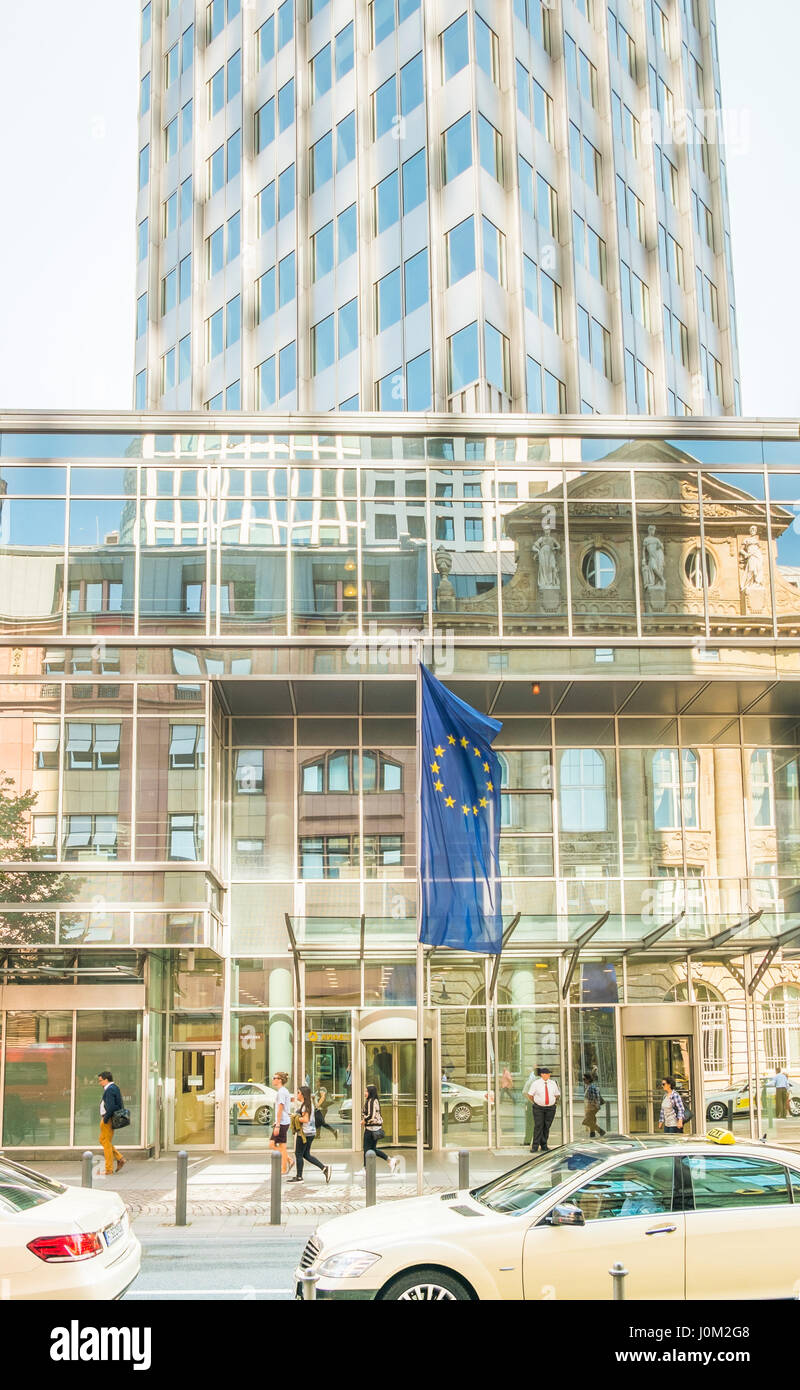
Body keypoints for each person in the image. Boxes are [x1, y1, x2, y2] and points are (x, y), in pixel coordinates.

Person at [288, 1086, 331, 1184]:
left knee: (298, 1154)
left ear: (303, 1094)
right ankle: (324, 1168)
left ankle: (299, 1177)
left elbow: (305, 1119)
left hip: (305, 1133)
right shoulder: (308, 1104)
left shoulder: (305, 1106)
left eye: (298, 1093)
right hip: (310, 1133)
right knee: (306, 1154)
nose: (297, 1094)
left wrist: (295, 1118)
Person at [362, 1084, 399, 1174]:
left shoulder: (371, 1101)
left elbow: (371, 1115)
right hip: (375, 1128)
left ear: (370, 1092)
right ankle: (390, 1160)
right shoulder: (375, 1100)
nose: (365, 1093)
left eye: (366, 1091)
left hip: (371, 1129)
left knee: (366, 1149)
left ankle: (365, 1169)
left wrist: (364, 1120)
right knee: (373, 1149)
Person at [97, 1071, 126, 1176]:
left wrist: (105, 1119)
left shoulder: (109, 1090)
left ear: (106, 1079)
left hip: (107, 1119)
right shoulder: (114, 1088)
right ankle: (119, 1158)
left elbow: (112, 1106)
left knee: (106, 1143)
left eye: (100, 1080)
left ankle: (109, 1169)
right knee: (103, 1140)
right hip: (108, 1118)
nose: (99, 1083)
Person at [527, 1066, 560, 1153]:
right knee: (538, 1126)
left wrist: (553, 1102)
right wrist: (536, 1102)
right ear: (542, 1074)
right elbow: (530, 1095)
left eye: (549, 1073)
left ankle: (544, 1145)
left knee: (546, 1126)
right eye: (547, 1073)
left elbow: (557, 1094)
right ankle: (535, 1146)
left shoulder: (553, 1083)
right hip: (539, 1108)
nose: (549, 1075)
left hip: (550, 1108)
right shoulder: (536, 1083)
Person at [269, 1070, 294, 1174]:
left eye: (275, 1078)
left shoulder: (281, 1092)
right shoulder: (283, 1091)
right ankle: (289, 1160)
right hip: (283, 1122)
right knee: (276, 1145)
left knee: (278, 1146)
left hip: (282, 1122)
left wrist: (277, 1125)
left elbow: (280, 1108)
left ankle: (284, 1168)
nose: (273, 1079)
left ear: (280, 1080)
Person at [582, 1072, 605, 1138]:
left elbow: (593, 1099)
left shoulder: (591, 1087)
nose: (583, 1080)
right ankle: (592, 1133)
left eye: (584, 1079)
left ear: (588, 1079)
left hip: (592, 1107)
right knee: (592, 1119)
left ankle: (600, 1131)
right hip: (593, 1107)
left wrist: (590, 1107)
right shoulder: (590, 1086)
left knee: (586, 1121)